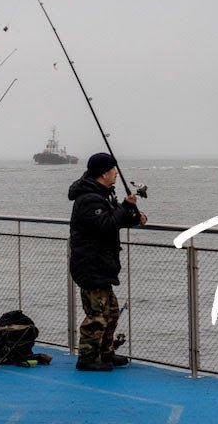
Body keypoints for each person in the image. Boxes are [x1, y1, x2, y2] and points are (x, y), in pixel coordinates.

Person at [68, 152, 146, 371]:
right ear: (104, 173)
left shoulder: (102, 195)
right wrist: (126, 206)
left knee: (111, 312)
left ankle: (106, 353)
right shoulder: (89, 199)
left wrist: (133, 215)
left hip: (101, 263)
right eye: (113, 171)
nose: (116, 174)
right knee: (98, 315)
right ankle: (87, 358)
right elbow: (106, 224)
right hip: (90, 263)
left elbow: (113, 219)